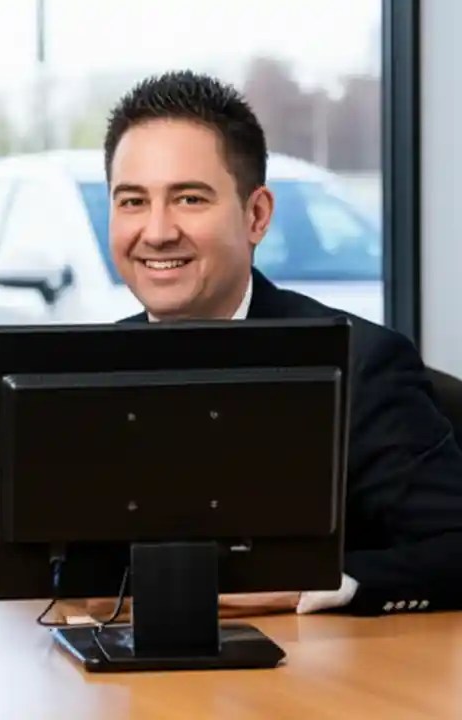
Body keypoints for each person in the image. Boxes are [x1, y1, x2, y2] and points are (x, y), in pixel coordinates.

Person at [100, 69, 462, 617]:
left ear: (257, 215)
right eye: (132, 201)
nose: (156, 232)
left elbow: (454, 547)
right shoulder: (84, 371)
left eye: (189, 199)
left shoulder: (360, 364)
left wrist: (304, 586)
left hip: (315, 665)